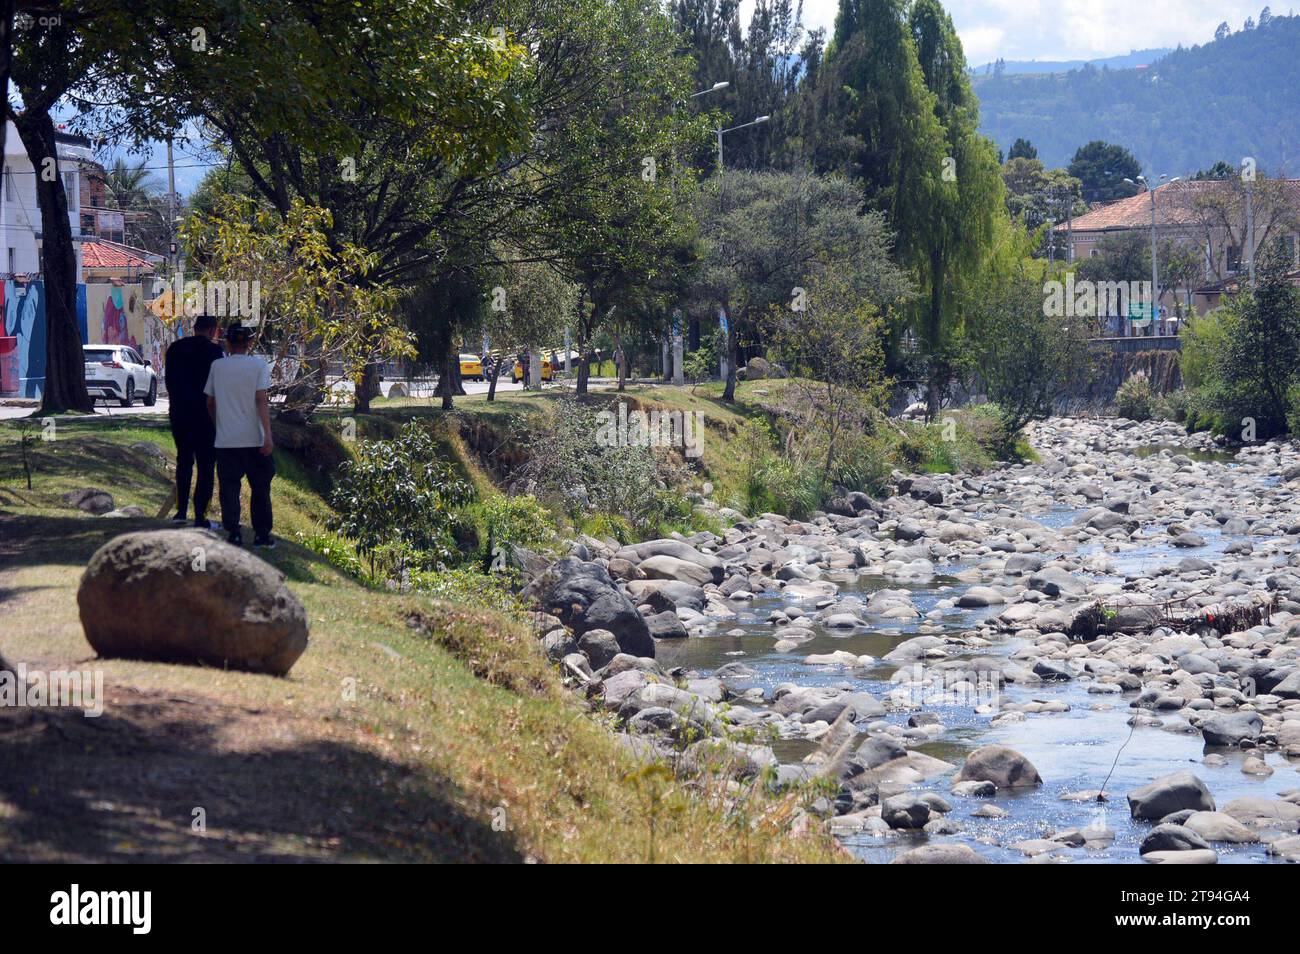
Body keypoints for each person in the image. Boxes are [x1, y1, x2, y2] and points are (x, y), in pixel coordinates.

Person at [204, 322, 275, 547]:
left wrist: (218, 424)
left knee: (229, 487)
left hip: (226, 440)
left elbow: (210, 402)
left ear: (228, 343)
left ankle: (234, 532)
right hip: (254, 437)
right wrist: (268, 435)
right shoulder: (258, 365)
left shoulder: (217, 366)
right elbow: (261, 400)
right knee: (261, 486)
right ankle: (262, 535)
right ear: (250, 343)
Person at [164, 314, 223, 528]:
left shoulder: (174, 349)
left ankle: (180, 512)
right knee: (206, 465)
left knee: (184, 461)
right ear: (212, 330)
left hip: (180, 413)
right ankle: (200, 516)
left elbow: (169, 382)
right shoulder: (216, 352)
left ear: (195, 328)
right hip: (205, 416)